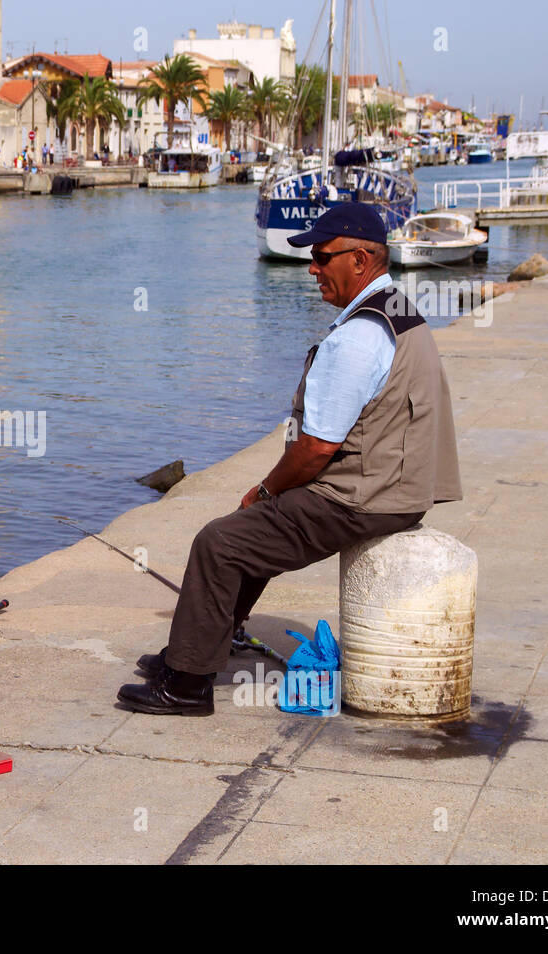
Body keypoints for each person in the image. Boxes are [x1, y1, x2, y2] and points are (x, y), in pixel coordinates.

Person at [117, 203, 462, 716]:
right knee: (247, 535)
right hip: (399, 487)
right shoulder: (398, 309)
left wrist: (265, 490)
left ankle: (186, 686)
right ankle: (195, 650)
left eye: (323, 257)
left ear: (361, 260)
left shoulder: (357, 337)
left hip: (363, 497)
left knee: (220, 542)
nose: (313, 268)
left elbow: (317, 448)